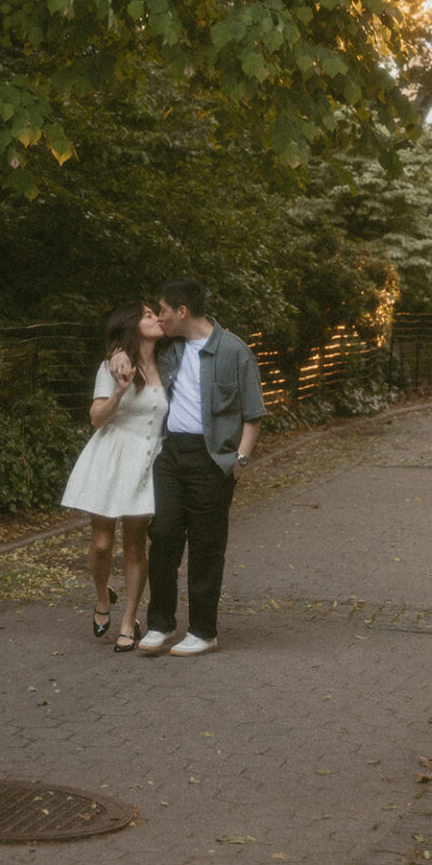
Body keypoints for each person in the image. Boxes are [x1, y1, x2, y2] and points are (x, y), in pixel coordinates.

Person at [113, 278, 265, 656]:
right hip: (169, 455)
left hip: (213, 458)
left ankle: (203, 631)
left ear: (182, 312)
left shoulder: (234, 351)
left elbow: (253, 413)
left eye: (163, 310)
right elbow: (133, 341)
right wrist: (117, 350)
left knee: (206, 546)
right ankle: (161, 625)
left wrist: (240, 460)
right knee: (162, 536)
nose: (159, 316)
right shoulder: (170, 346)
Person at [61, 303, 167, 652]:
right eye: (148, 314)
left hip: (147, 459)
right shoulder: (113, 366)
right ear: (130, 325)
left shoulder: (169, 363)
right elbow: (96, 418)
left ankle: (129, 620)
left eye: (156, 313)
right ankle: (102, 597)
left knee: (135, 546)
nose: (156, 318)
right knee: (102, 544)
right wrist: (120, 390)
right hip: (111, 456)